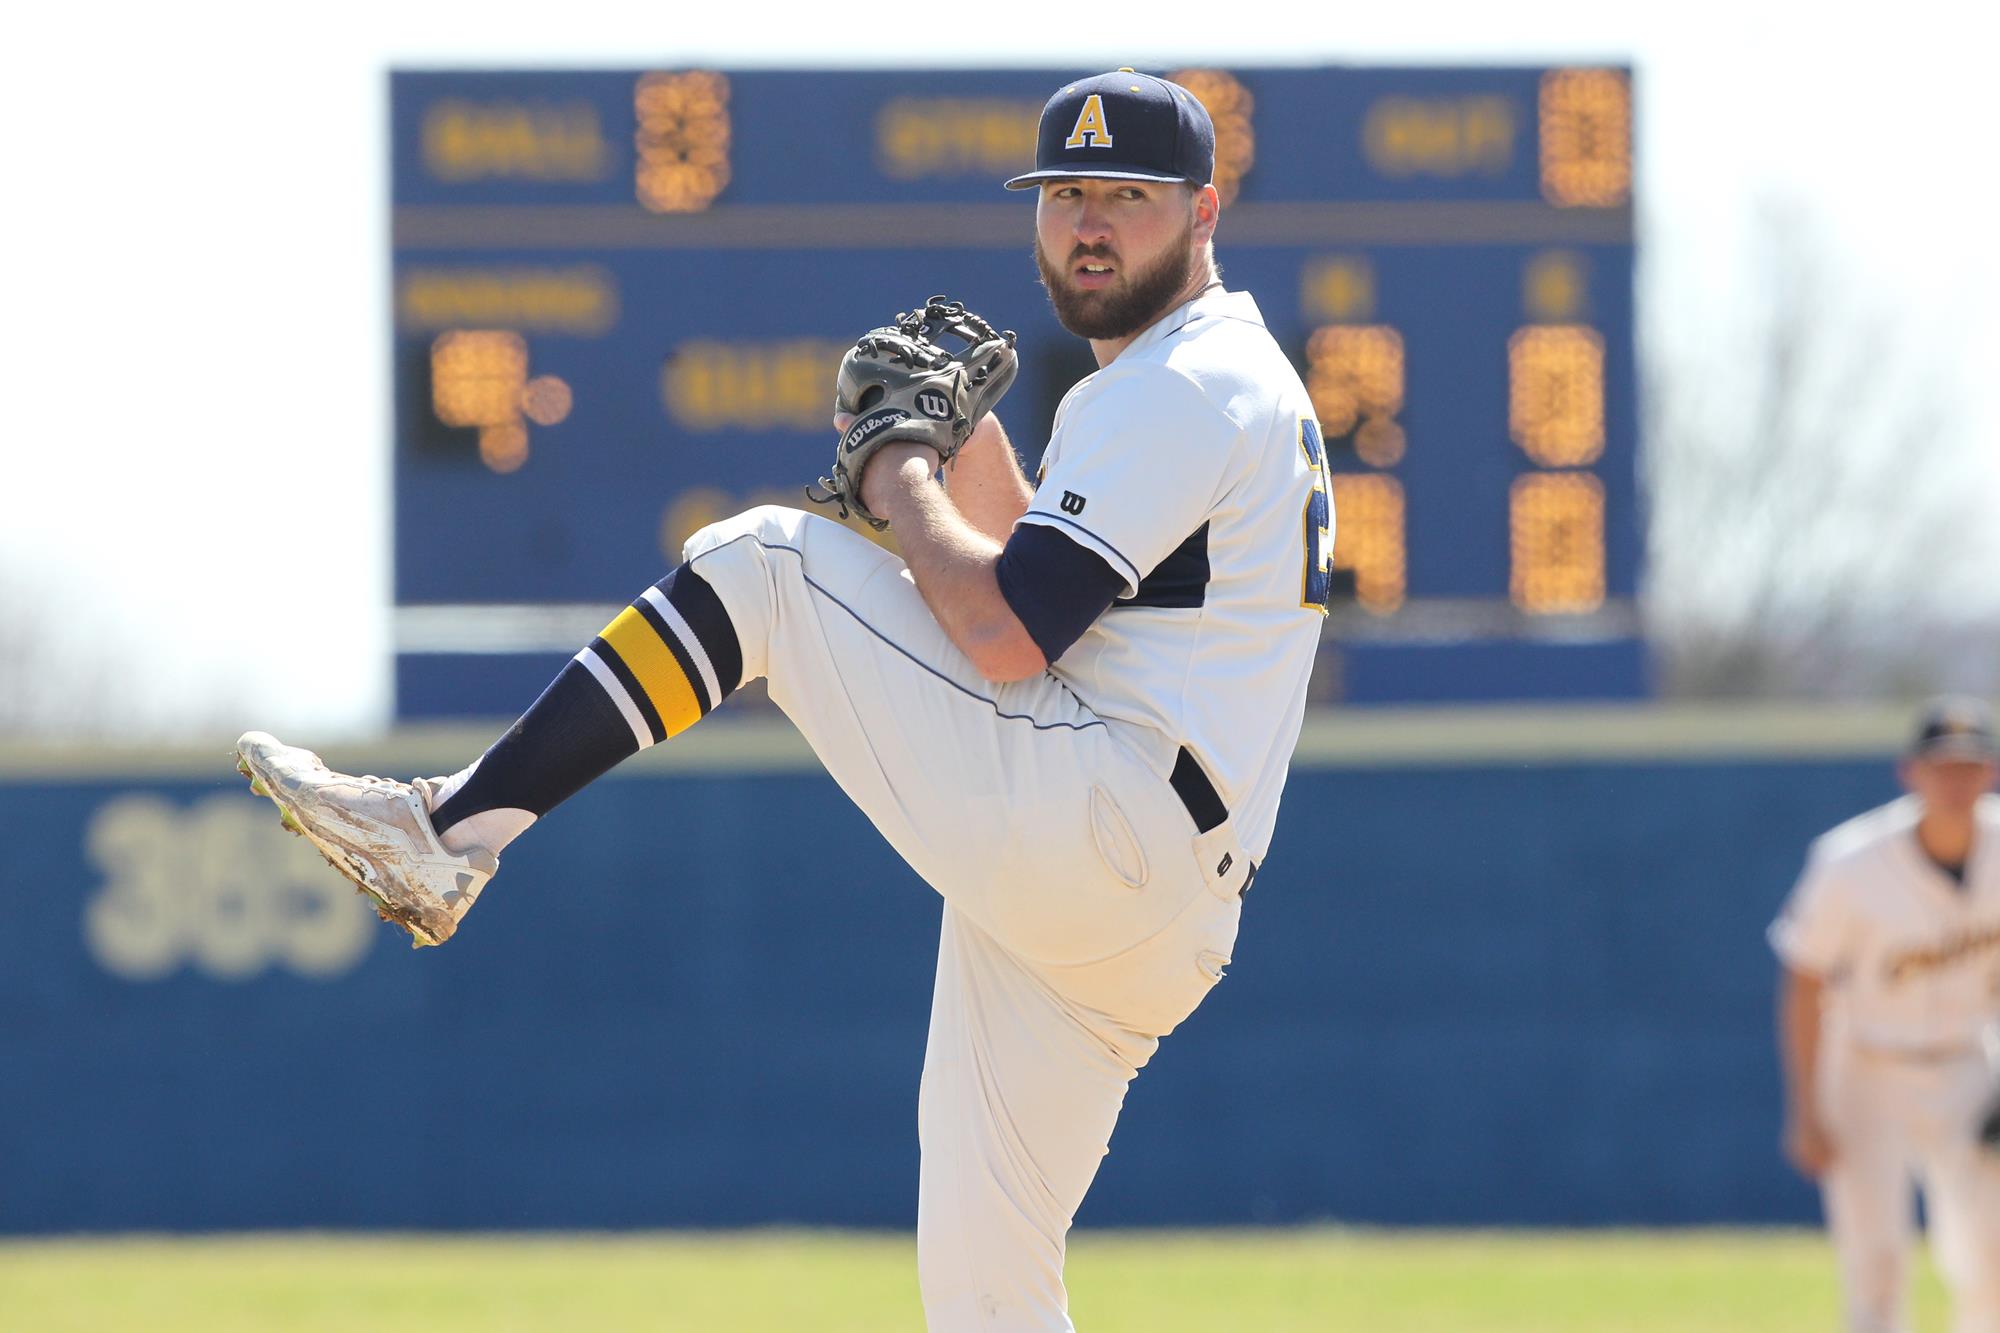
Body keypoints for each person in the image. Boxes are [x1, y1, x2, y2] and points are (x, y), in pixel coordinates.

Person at [238, 69, 1331, 1332]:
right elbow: (1061, 601)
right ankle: (441, 840)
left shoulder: (1181, 383)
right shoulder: (1201, 378)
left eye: (1126, 197)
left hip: (1105, 822)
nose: (1088, 222)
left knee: (762, 565)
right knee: (985, 1290)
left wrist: (900, 468)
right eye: (1065, 193)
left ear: (1202, 211)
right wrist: (967, 458)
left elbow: (1001, 631)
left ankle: (444, 835)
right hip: (1142, 891)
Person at [1771, 697, 2000, 1333]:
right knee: (1875, 1257)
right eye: (1942, 766)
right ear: (1910, 772)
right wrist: (1806, 1106)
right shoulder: (1850, 861)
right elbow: (1804, 977)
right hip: (1867, 1065)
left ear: (1992, 773)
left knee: (1991, 1255)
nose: (1956, 781)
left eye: (1971, 765)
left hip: (1970, 1061)